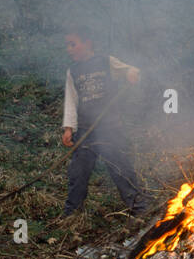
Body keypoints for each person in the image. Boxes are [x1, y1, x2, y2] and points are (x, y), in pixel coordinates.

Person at [60, 27, 151, 218]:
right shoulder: (73, 71)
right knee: (78, 174)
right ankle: (71, 215)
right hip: (86, 131)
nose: (69, 48)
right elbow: (71, 101)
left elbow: (129, 70)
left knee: (120, 168)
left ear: (87, 43)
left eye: (73, 44)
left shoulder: (105, 61)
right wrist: (69, 128)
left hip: (110, 128)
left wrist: (132, 73)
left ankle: (139, 208)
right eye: (67, 45)